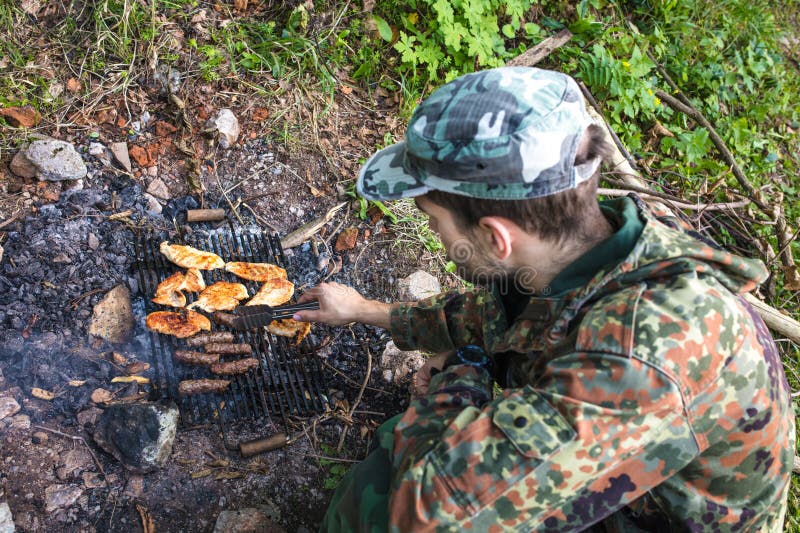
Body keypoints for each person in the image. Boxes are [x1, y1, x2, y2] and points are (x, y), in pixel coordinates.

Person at [293, 67, 794, 532]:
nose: (436, 238)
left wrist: (459, 378)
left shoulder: (642, 356)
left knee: (376, 500)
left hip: (649, 518)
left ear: (496, 237)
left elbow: (427, 514)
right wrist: (365, 312)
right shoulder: (586, 244)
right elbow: (503, 317)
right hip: (637, 480)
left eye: (433, 222)